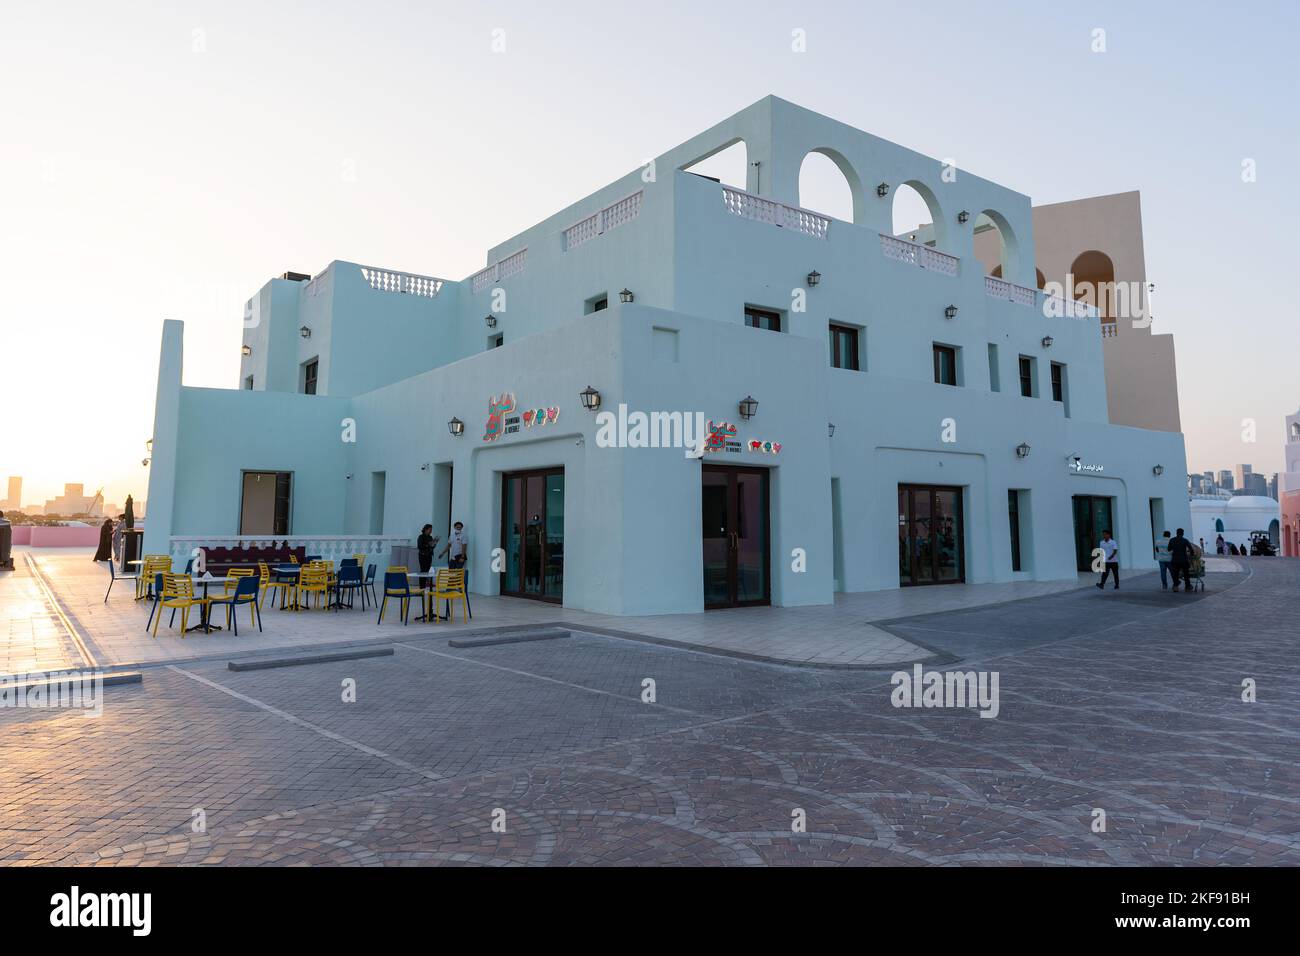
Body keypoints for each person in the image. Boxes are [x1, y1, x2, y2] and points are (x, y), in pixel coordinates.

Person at [1168, 527, 1194, 592]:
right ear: (1183, 533)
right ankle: (1187, 587)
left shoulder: (1172, 540)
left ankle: (1175, 587)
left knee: (1175, 574)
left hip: (1174, 560)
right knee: (1186, 574)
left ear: (1176, 533)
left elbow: (1169, 549)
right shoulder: (1185, 540)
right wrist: (1191, 555)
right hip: (1183, 560)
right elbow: (1191, 549)